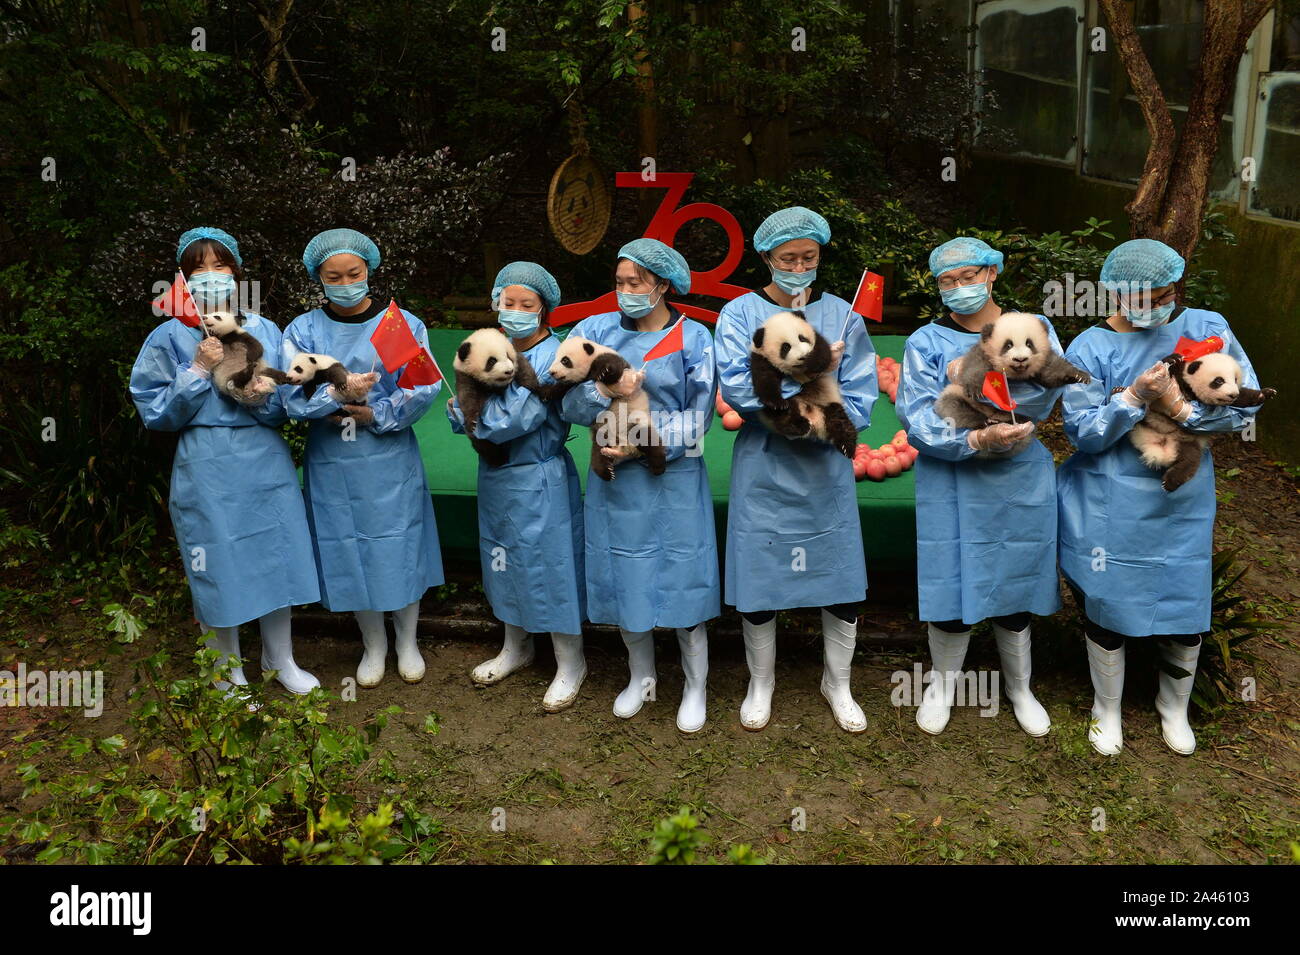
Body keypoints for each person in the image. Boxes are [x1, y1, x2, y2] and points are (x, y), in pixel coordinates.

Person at [1059, 238, 1266, 756]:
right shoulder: (1090, 346)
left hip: (1182, 496)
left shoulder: (1208, 328)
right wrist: (1132, 400)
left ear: (1178, 285)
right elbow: (1082, 433)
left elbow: (1245, 406)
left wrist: (1188, 413)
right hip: (1110, 496)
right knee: (1107, 602)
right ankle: (1105, 707)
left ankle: (1172, 707)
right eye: (1140, 296)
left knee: (1184, 597)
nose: (1152, 304)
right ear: (1113, 292)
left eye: (1162, 293)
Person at [130, 227, 319, 697]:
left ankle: (281, 659)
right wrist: (196, 371)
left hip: (264, 461)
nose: (210, 276)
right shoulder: (169, 334)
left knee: (277, 554)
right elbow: (156, 413)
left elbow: (286, 403)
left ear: (235, 273)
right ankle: (225, 670)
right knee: (217, 561)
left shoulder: (264, 330)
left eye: (220, 266)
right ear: (183, 277)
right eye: (198, 268)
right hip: (207, 463)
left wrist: (262, 397)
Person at [714, 206, 877, 733]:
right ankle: (761, 682)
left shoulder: (845, 317)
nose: (799, 266)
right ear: (766, 258)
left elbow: (862, 396)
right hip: (765, 467)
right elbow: (738, 387)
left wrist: (822, 424)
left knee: (841, 577)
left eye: (809, 257)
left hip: (826, 468)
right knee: (759, 576)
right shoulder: (740, 314)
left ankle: (839, 681)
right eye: (788, 258)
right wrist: (806, 378)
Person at [897, 237, 1058, 738]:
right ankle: (943, 685)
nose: (959, 288)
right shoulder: (925, 341)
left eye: (969, 276)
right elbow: (918, 416)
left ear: (992, 274)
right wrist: (974, 437)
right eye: (947, 281)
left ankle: (1020, 687)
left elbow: (1047, 396)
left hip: (1017, 474)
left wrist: (983, 389)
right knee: (949, 578)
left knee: (1015, 578)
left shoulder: (1033, 327)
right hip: (951, 477)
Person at [558, 238, 718, 733]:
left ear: (662, 285)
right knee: (627, 576)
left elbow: (700, 415)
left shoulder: (695, 339)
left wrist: (644, 442)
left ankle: (695, 686)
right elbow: (568, 403)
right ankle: (641, 678)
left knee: (682, 578)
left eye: (637, 283)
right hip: (612, 477)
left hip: (673, 474)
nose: (625, 291)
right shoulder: (593, 331)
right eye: (619, 282)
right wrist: (603, 394)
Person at [283, 228, 444, 687]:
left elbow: (423, 385)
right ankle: (373, 643)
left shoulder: (401, 325)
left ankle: (407, 640)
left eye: (354, 273)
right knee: (347, 546)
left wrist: (377, 412)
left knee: (399, 543)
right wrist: (336, 393)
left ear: (369, 270)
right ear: (319, 277)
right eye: (334, 275)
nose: (346, 282)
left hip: (388, 455)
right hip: (333, 458)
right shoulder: (304, 330)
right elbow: (291, 397)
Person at [447, 262, 587, 711]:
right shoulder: (491, 347)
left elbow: (515, 420)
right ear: (495, 303)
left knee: (552, 565)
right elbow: (465, 412)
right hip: (496, 477)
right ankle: (516, 646)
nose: (516, 311)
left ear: (544, 310)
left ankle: (571, 662)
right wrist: (465, 415)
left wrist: (465, 416)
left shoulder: (555, 356)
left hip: (539, 474)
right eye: (508, 302)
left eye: (527, 304)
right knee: (502, 560)